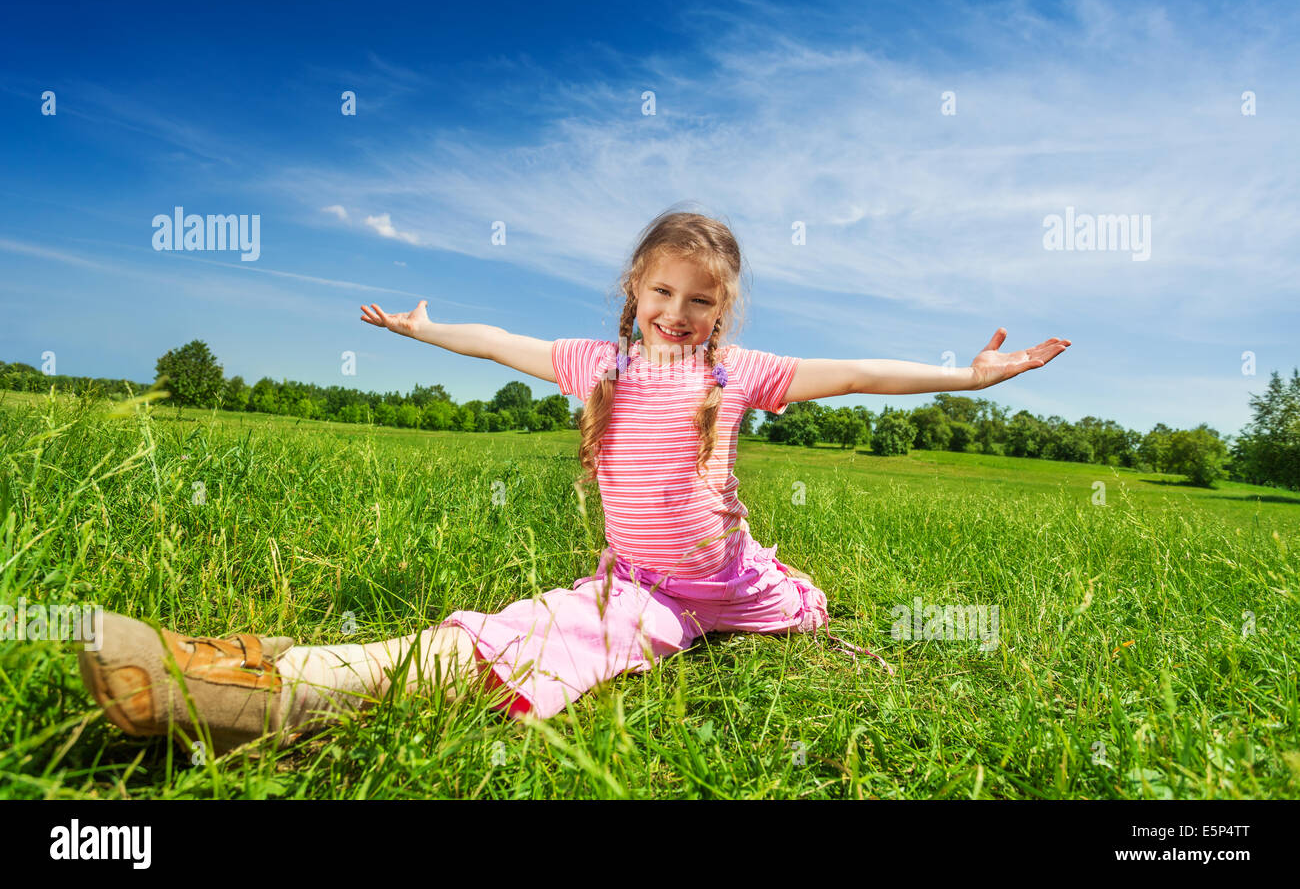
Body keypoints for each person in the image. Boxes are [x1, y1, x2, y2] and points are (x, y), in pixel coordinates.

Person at [77, 208, 1070, 753]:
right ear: (634, 294)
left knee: (792, 603)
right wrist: (425, 330)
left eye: (701, 300)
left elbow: (856, 371)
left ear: (722, 313)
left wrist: (967, 374)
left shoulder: (738, 373)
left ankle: (797, 598)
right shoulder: (593, 363)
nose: (678, 312)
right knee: (538, 626)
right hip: (641, 584)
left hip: (737, 581)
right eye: (662, 292)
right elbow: (499, 340)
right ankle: (265, 678)